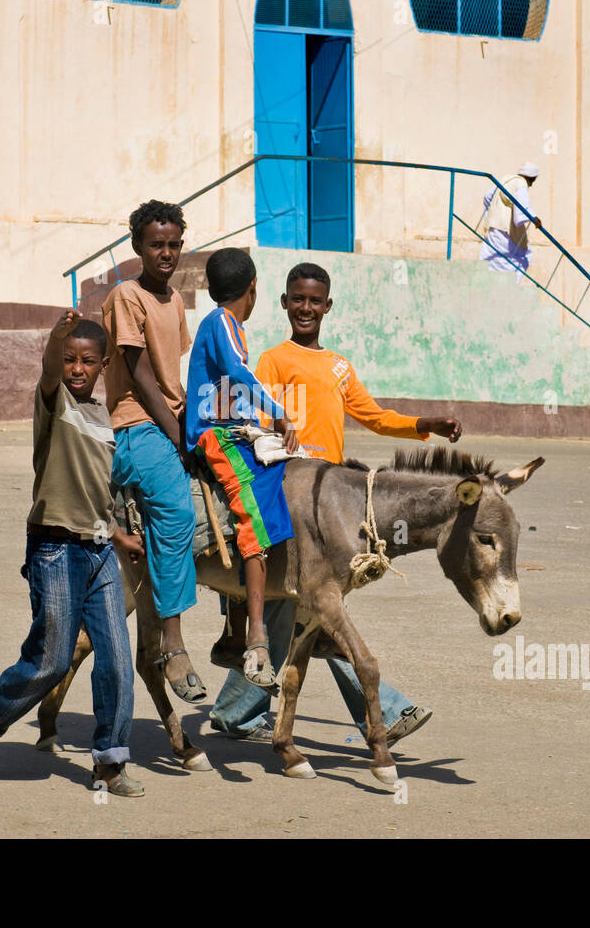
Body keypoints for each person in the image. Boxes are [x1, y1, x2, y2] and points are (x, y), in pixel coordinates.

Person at [209, 261, 462, 745]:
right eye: (297, 299)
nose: (306, 308)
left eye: (315, 300)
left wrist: (424, 423)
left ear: (328, 306)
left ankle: (235, 712)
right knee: (320, 613)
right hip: (293, 496)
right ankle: (381, 713)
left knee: (311, 615)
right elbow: (254, 414)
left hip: (335, 505)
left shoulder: (338, 366)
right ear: (284, 303)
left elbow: (376, 416)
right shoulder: (272, 360)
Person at [0, 310, 146, 797]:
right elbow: (49, 372)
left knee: (117, 657)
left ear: (104, 365)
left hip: (98, 552)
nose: (77, 368)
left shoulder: (103, 419)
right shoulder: (54, 403)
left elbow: (100, 490)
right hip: (55, 549)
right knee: (52, 660)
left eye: (88, 361)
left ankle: (110, 761)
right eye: (69, 359)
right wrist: (55, 338)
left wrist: (119, 535)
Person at [101, 200, 206, 703]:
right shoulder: (127, 295)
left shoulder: (176, 302)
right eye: (155, 245)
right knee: (178, 510)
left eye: (173, 244)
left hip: (168, 418)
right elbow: (140, 374)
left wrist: (196, 425)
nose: (166, 253)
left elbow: (174, 378)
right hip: (136, 425)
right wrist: (178, 435)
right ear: (137, 247)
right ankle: (174, 641)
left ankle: (238, 636)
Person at [185, 247, 300, 690]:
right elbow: (236, 374)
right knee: (251, 509)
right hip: (218, 435)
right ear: (252, 288)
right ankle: (254, 636)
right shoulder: (222, 324)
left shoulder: (225, 323)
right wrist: (279, 413)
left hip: (236, 427)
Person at [479, 161, 543, 283]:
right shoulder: (521, 183)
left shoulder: (506, 179)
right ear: (530, 178)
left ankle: (494, 284)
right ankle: (509, 285)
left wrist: (493, 211)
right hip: (505, 228)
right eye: (532, 181)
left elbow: (488, 196)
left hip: (494, 224)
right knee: (524, 255)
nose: (531, 185)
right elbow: (523, 204)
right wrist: (534, 218)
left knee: (493, 256)